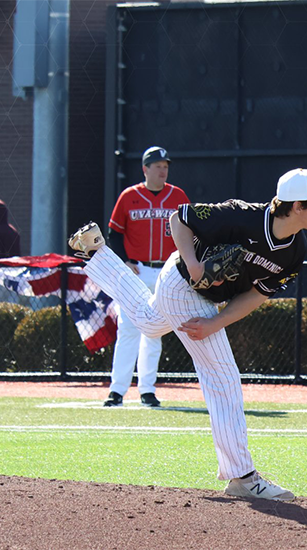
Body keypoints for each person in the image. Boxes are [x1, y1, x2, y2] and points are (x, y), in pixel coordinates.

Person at [68, 168, 307, 501]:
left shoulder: (295, 251)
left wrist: (216, 323)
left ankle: (94, 253)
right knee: (222, 378)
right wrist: (193, 262)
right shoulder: (243, 216)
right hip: (183, 284)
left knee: (149, 322)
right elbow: (179, 219)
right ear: (297, 206)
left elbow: (256, 295)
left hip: (198, 296)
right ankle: (241, 476)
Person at [102, 146, 190, 408]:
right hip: (137, 271)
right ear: (145, 169)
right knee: (128, 328)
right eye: (158, 166)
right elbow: (114, 233)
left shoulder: (178, 196)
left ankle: (147, 389)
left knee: (154, 332)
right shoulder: (130, 196)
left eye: (165, 166)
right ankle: (117, 390)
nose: (163, 170)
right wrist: (124, 262)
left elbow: (190, 230)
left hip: (165, 271)